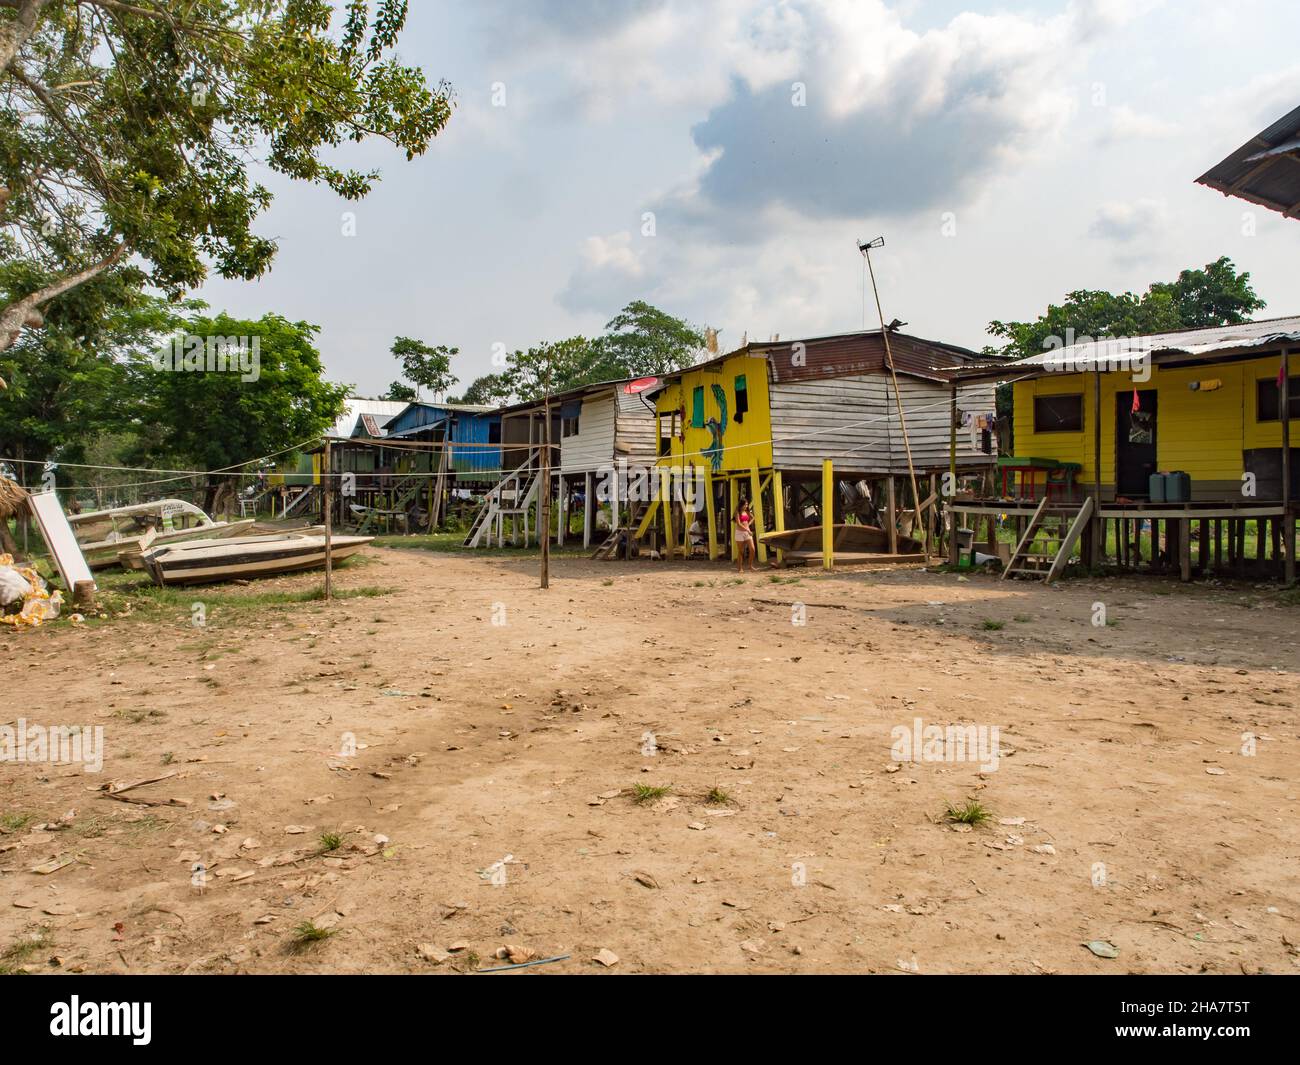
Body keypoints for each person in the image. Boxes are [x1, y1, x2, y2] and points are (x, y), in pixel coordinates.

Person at [733, 500, 757, 572]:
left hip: (747, 532)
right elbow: (739, 524)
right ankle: (740, 568)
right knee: (741, 551)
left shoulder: (747, 512)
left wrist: (748, 524)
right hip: (740, 533)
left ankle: (750, 565)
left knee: (752, 549)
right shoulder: (737, 512)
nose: (746, 506)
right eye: (745, 505)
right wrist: (748, 530)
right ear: (741, 505)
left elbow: (753, 518)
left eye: (747, 505)